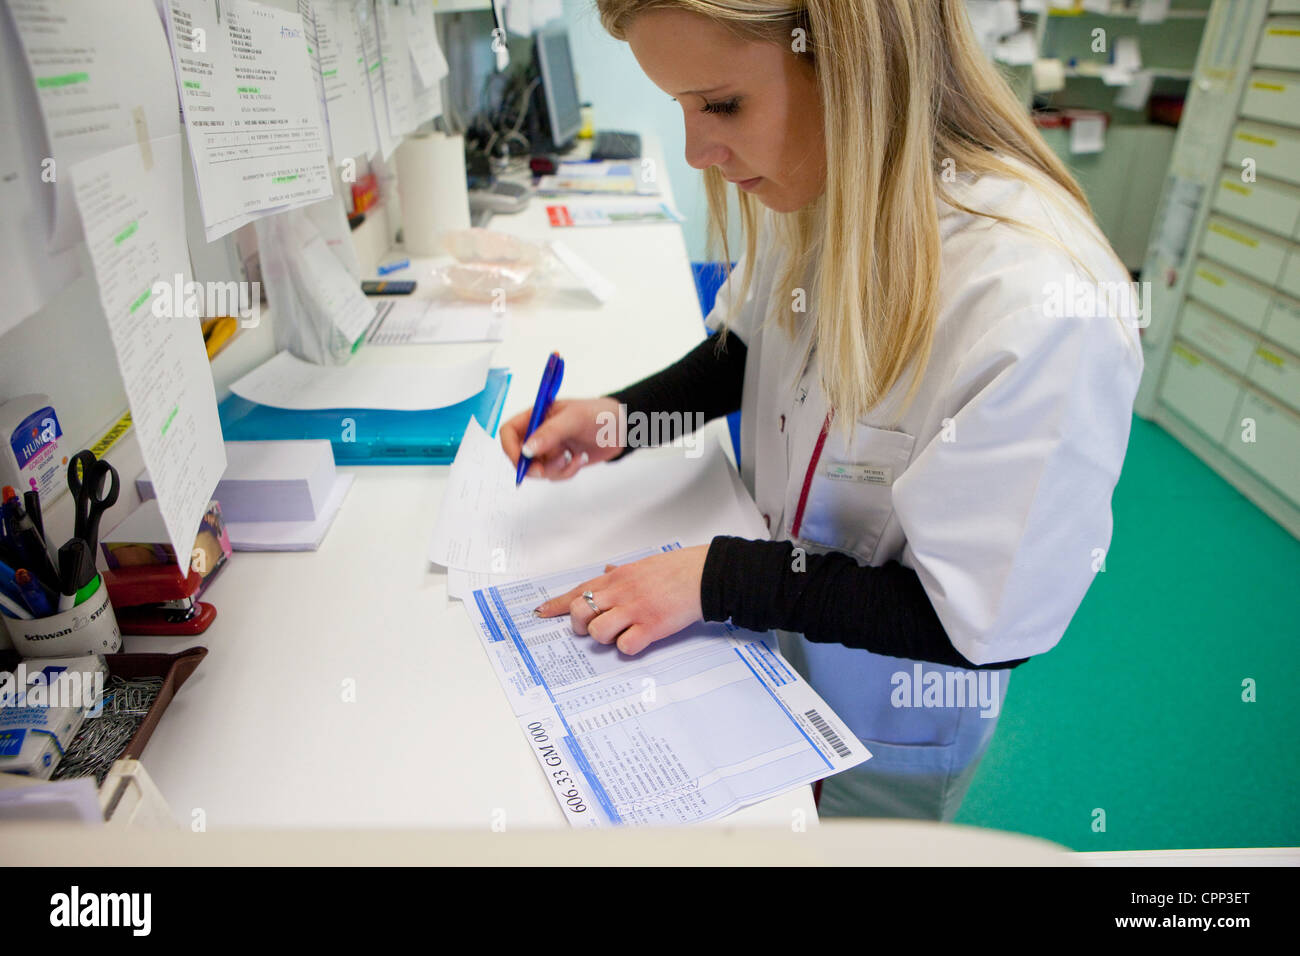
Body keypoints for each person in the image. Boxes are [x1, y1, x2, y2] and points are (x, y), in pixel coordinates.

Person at [498, 0, 1144, 820]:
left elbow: (977, 627)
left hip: (888, 711)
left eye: (721, 104)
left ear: (850, 64)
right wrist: (622, 421)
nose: (699, 151)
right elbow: (753, 349)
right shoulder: (822, 175)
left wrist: (720, 575)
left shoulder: (1041, 307)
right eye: (682, 108)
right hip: (768, 648)